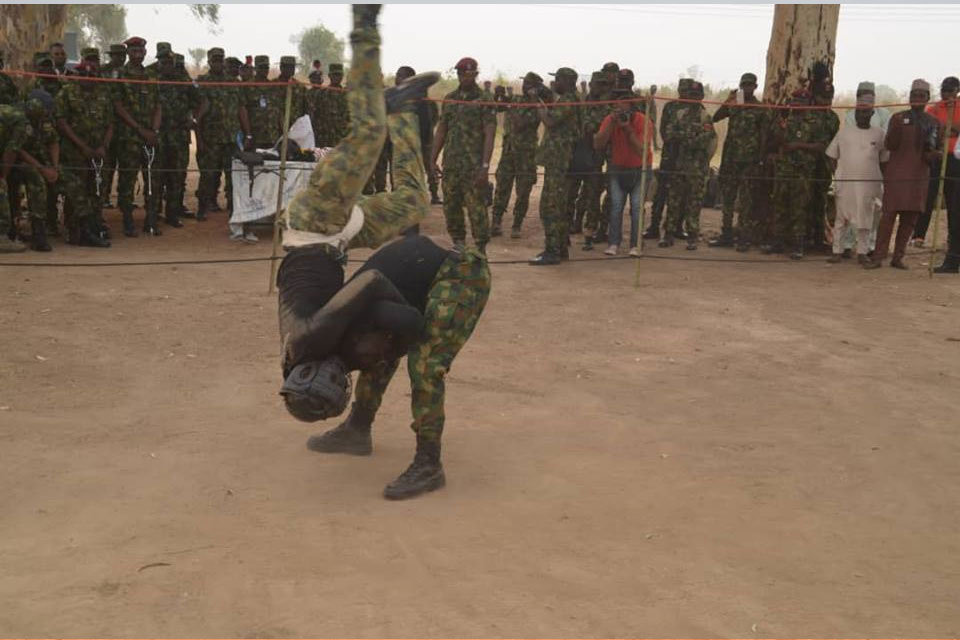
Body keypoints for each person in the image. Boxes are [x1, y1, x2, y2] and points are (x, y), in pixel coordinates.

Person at [865, 80, 940, 270]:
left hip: (919, 175)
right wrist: (896, 130)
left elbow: (932, 152)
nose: (916, 99)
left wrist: (935, 154)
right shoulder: (898, 118)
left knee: (910, 218)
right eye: (914, 95)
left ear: (927, 99)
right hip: (897, 173)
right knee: (888, 216)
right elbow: (890, 145)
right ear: (909, 97)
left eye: (921, 96)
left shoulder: (933, 123)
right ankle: (878, 256)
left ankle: (898, 257)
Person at [430, 56, 496, 253]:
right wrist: (432, 159)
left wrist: (485, 167)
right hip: (451, 165)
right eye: (463, 74)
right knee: (451, 208)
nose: (466, 78)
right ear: (458, 75)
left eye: (470, 74)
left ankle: (480, 250)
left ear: (475, 74)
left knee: (477, 210)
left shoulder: (484, 100)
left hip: (474, 167)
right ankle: (458, 246)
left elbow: (490, 134)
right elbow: (442, 130)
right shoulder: (450, 99)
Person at [56, 60, 114, 248]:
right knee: (76, 192)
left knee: (96, 190)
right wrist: (82, 146)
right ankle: (76, 231)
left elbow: (110, 123)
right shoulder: (66, 93)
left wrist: (104, 145)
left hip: (98, 153)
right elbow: (62, 123)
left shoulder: (103, 95)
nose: (88, 79)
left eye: (92, 75)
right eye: (84, 75)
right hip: (75, 153)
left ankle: (93, 227)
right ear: (77, 76)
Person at [824, 94, 887, 265]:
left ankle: (862, 253)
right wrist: (837, 173)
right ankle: (836, 251)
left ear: (872, 113)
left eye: (866, 112)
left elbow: (885, 160)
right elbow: (831, 155)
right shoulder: (844, 133)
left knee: (866, 219)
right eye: (859, 112)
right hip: (846, 182)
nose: (862, 115)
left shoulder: (880, 134)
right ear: (854, 113)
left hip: (870, 184)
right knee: (841, 218)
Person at [593, 86, 654, 256]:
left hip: (640, 169)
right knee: (616, 206)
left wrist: (628, 130)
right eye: (618, 104)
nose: (621, 107)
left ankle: (636, 245)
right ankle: (613, 243)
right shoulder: (610, 119)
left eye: (625, 104)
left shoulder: (644, 121)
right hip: (617, 168)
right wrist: (611, 124)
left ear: (632, 107)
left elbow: (642, 150)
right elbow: (598, 144)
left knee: (636, 207)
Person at [710, 72, 768, 249]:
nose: (746, 88)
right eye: (744, 85)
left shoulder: (760, 108)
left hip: (749, 161)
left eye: (750, 85)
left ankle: (743, 237)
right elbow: (716, 117)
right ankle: (726, 235)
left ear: (755, 87)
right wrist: (728, 101)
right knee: (727, 198)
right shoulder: (735, 104)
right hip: (730, 158)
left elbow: (764, 135)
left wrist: (760, 158)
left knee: (746, 200)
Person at [112, 36, 162, 237]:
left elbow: (158, 105)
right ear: (128, 53)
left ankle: (151, 221)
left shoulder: (151, 76)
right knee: (128, 179)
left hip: (150, 135)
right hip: (129, 136)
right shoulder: (121, 75)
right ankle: (128, 221)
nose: (137, 54)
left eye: (140, 51)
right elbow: (118, 106)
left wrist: (155, 130)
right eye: (133, 51)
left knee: (152, 179)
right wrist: (140, 129)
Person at [529, 66, 580, 265]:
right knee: (557, 205)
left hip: (559, 160)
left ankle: (552, 251)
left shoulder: (569, 100)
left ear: (566, 82)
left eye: (557, 79)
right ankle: (559, 248)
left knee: (550, 207)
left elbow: (550, 121)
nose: (554, 83)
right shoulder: (568, 99)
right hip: (558, 160)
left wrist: (537, 105)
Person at [767, 89, 823, 259]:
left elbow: (821, 146)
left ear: (807, 104)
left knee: (800, 207)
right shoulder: (785, 119)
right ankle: (777, 241)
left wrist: (799, 145)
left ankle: (797, 244)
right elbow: (774, 141)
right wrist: (780, 123)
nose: (797, 105)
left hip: (803, 171)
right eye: (795, 101)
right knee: (779, 204)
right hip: (784, 168)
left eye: (801, 102)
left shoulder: (815, 121)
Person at [196, 47, 249, 222]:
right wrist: (200, 140)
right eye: (215, 60)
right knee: (208, 175)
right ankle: (202, 208)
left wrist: (247, 134)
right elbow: (197, 114)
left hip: (230, 138)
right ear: (209, 62)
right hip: (210, 138)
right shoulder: (202, 82)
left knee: (233, 176)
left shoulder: (233, 82)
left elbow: (241, 109)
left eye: (220, 59)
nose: (218, 63)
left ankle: (234, 209)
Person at [660, 81, 714, 250]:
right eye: (691, 95)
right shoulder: (678, 114)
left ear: (701, 97)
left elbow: (706, 140)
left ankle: (692, 236)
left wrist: (685, 137)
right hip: (679, 165)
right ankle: (668, 234)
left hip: (697, 169)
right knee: (674, 201)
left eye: (697, 96)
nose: (693, 99)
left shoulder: (705, 117)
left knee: (694, 203)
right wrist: (690, 137)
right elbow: (669, 134)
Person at [491, 71, 542, 239]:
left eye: (529, 84)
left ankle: (516, 224)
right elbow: (498, 107)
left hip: (526, 155)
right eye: (525, 83)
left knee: (523, 191)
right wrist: (497, 96)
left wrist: (513, 107)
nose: (525, 86)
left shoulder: (538, 105)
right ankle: (496, 222)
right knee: (502, 187)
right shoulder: (517, 100)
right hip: (509, 151)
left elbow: (521, 124)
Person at [646, 78, 693, 240]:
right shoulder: (671, 107)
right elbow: (663, 129)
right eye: (682, 89)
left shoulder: (695, 109)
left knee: (681, 194)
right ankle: (654, 226)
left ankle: (676, 227)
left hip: (686, 158)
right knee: (661, 193)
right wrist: (671, 141)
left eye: (687, 90)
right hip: (670, 155)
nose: (684, 93)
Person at [156, 48, 199, 228]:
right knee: (157, 177)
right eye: (163, 62)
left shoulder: (183, 81)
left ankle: (173, 214)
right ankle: (154, 212)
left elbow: (200, 101)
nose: (167, 65)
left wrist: (193, 119)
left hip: (179, 137)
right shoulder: (153, 80)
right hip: (159, 136)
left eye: (170, 62)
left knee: (177, 177)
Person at [395, 65, 440, 218]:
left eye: (400, 76)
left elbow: (431, 120)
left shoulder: (423, 100)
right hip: (402, 144)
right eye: (397, 75)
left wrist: (427, 141)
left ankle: (434, 194)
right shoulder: (395, 99)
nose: (397, 79)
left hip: (422, 142)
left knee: (428, 168)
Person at [927, 77, 960, 274]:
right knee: (954, 213)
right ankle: (952, 260)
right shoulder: (935, 108)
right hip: (946, 162)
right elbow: (933, 130)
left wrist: (952, 129)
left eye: (951, 91)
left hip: (956, 164)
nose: (947, 95)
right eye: (944, 91)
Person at [99, 43, 126, 210]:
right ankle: (104, 196)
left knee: (124, 164)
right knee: (106, 165)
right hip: (105, 122)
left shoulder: (129, 73)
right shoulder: (101, 72)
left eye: (123, 55)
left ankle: (123, 199)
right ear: (111, 56)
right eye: (117, 55)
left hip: (124, 125)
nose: (120, 58)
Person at [0, 103, 28, 252]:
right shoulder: (20, 121)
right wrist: (3, 176)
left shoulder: (8, 113)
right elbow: (12, 149)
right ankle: (1, 239)